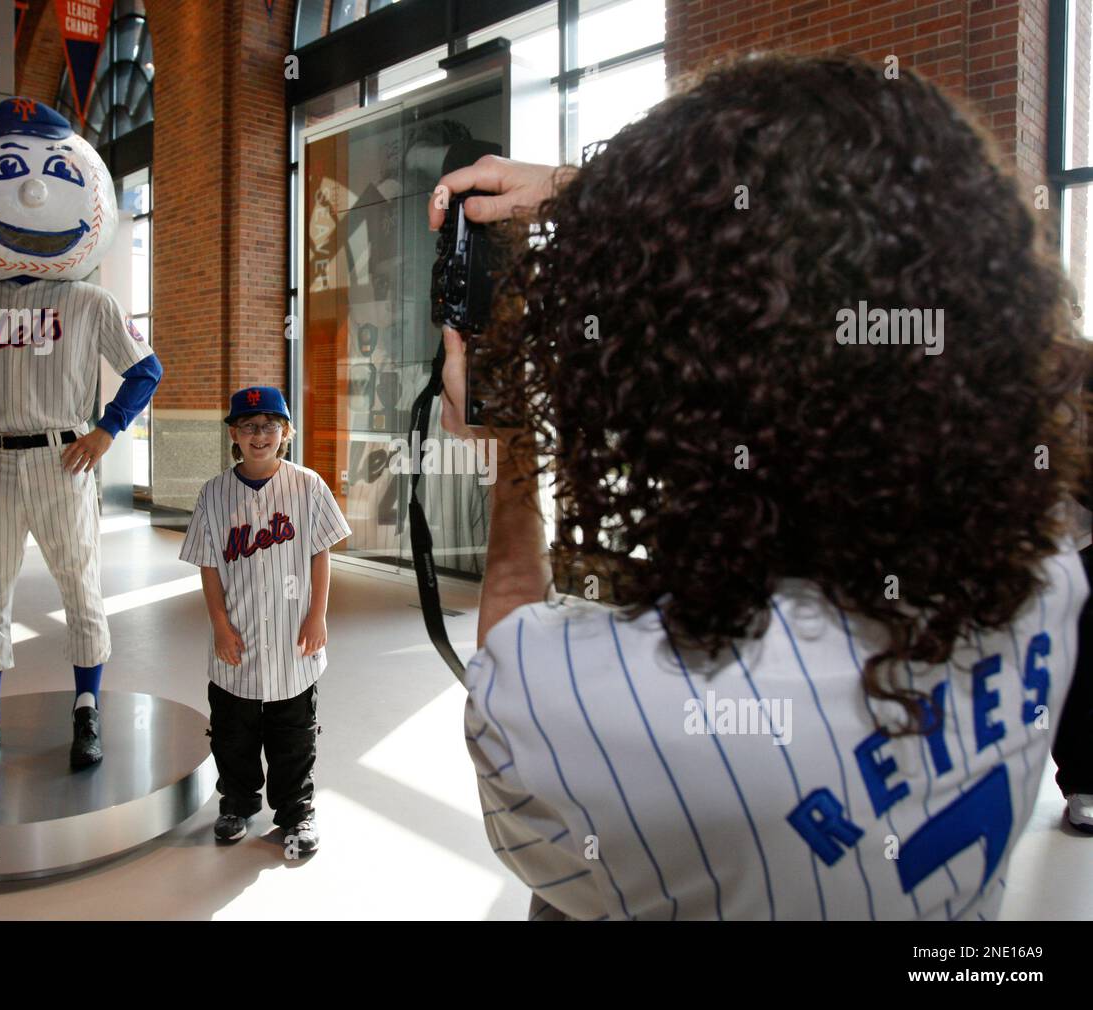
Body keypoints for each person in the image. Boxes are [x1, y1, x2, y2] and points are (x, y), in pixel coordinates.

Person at [430, 53, 1089, 920]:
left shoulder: (599, 707)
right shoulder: (1045, 572)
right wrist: (592, 194)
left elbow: (512, 630)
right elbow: (873, 264)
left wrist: (513, 438)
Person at [0, 98, 162, 772]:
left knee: (80, 587)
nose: (31, 191)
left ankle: (87, 710)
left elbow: (145, 371)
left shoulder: (88, 301)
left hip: (63, 459)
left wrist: (107, 430)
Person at [179, 386, 352, 855]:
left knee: (294, 735)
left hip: (295, 639)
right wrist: (218, 623)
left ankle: (297, 812)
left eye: (270, 425)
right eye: (250, 426)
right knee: (233, 732)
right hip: (236, 638)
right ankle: (236, 802)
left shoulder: (308, 485)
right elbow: (209, 564)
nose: (260, 435)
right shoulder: (214, 493)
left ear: (286, 432)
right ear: (234, 433)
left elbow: (321, 553)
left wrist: (317, 615)